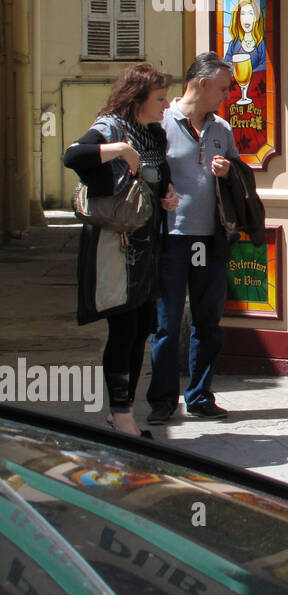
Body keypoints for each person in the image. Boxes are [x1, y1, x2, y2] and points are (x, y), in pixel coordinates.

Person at [63, 63, 181, 437]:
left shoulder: (155, 134)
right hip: (117, 246)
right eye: (159, 98)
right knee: (124, 327)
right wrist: (119, 150)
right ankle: (122, 413)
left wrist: (169, 196)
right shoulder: (112, 126)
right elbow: (73, 156)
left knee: (143, 326)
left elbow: (159, 178)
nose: (165, 105)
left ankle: (122, 411)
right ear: (138, 98)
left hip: (148, 245)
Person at [146, 52, 237, 424]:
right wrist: (159, 195)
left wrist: (229, 170)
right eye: (222, 88)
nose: (226, 95)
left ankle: (199, 396)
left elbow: (238, 181)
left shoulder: (222, 130)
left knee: (207, 322)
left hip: (210, 239)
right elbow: (143, 173)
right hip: (172, 238)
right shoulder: (161, 123)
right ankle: (164, 401)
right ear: (200, 84)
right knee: (166, 324)